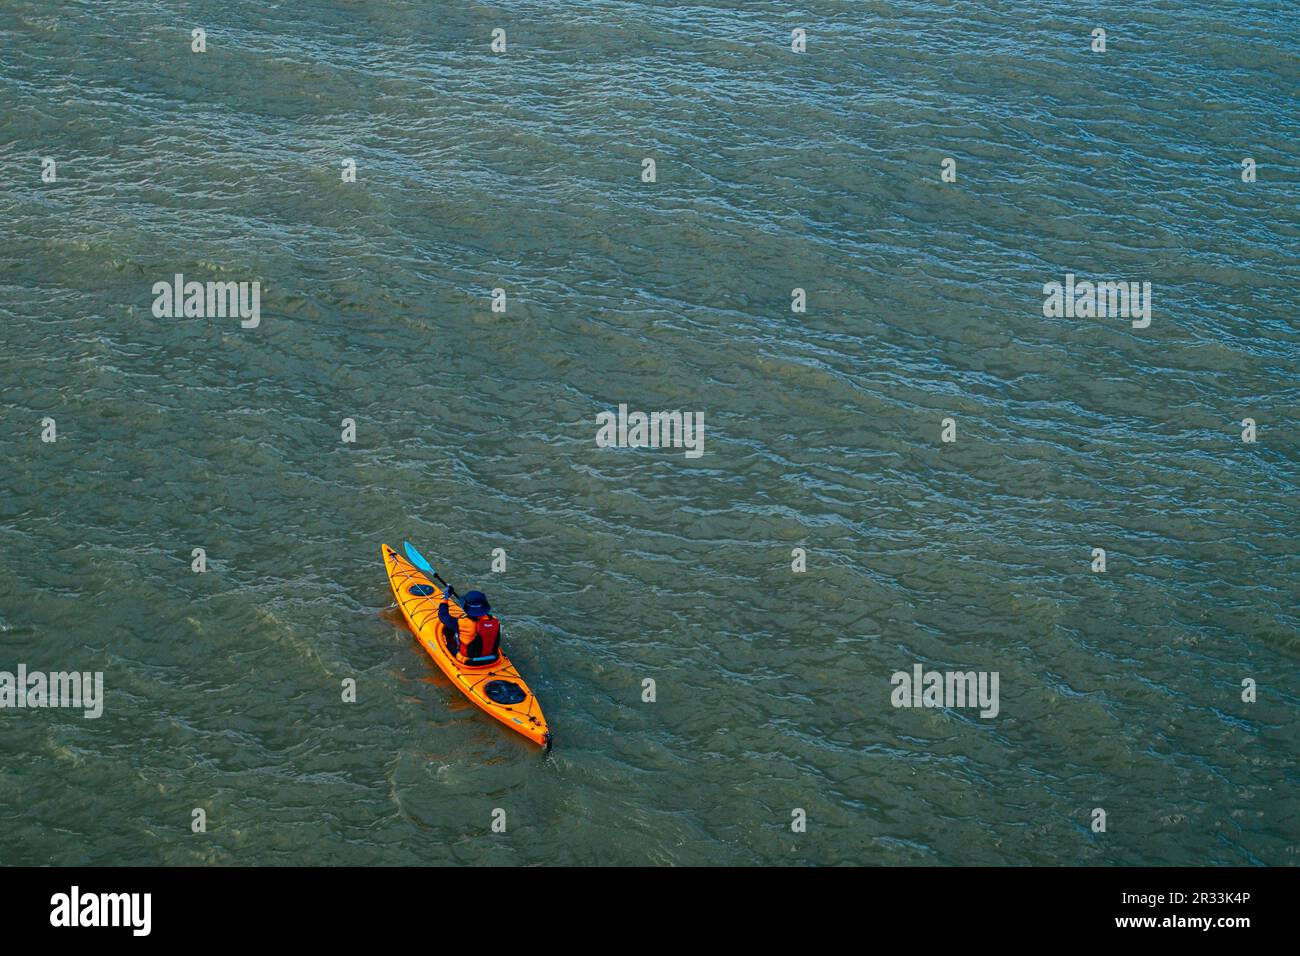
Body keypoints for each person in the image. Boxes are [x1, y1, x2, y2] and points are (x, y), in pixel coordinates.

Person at [437, 589, 501, 665]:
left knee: (448, 643)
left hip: (468, 661)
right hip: (493, 658)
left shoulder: (462, 622)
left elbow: (443, 616)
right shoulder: (495, 620)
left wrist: (445, 598)